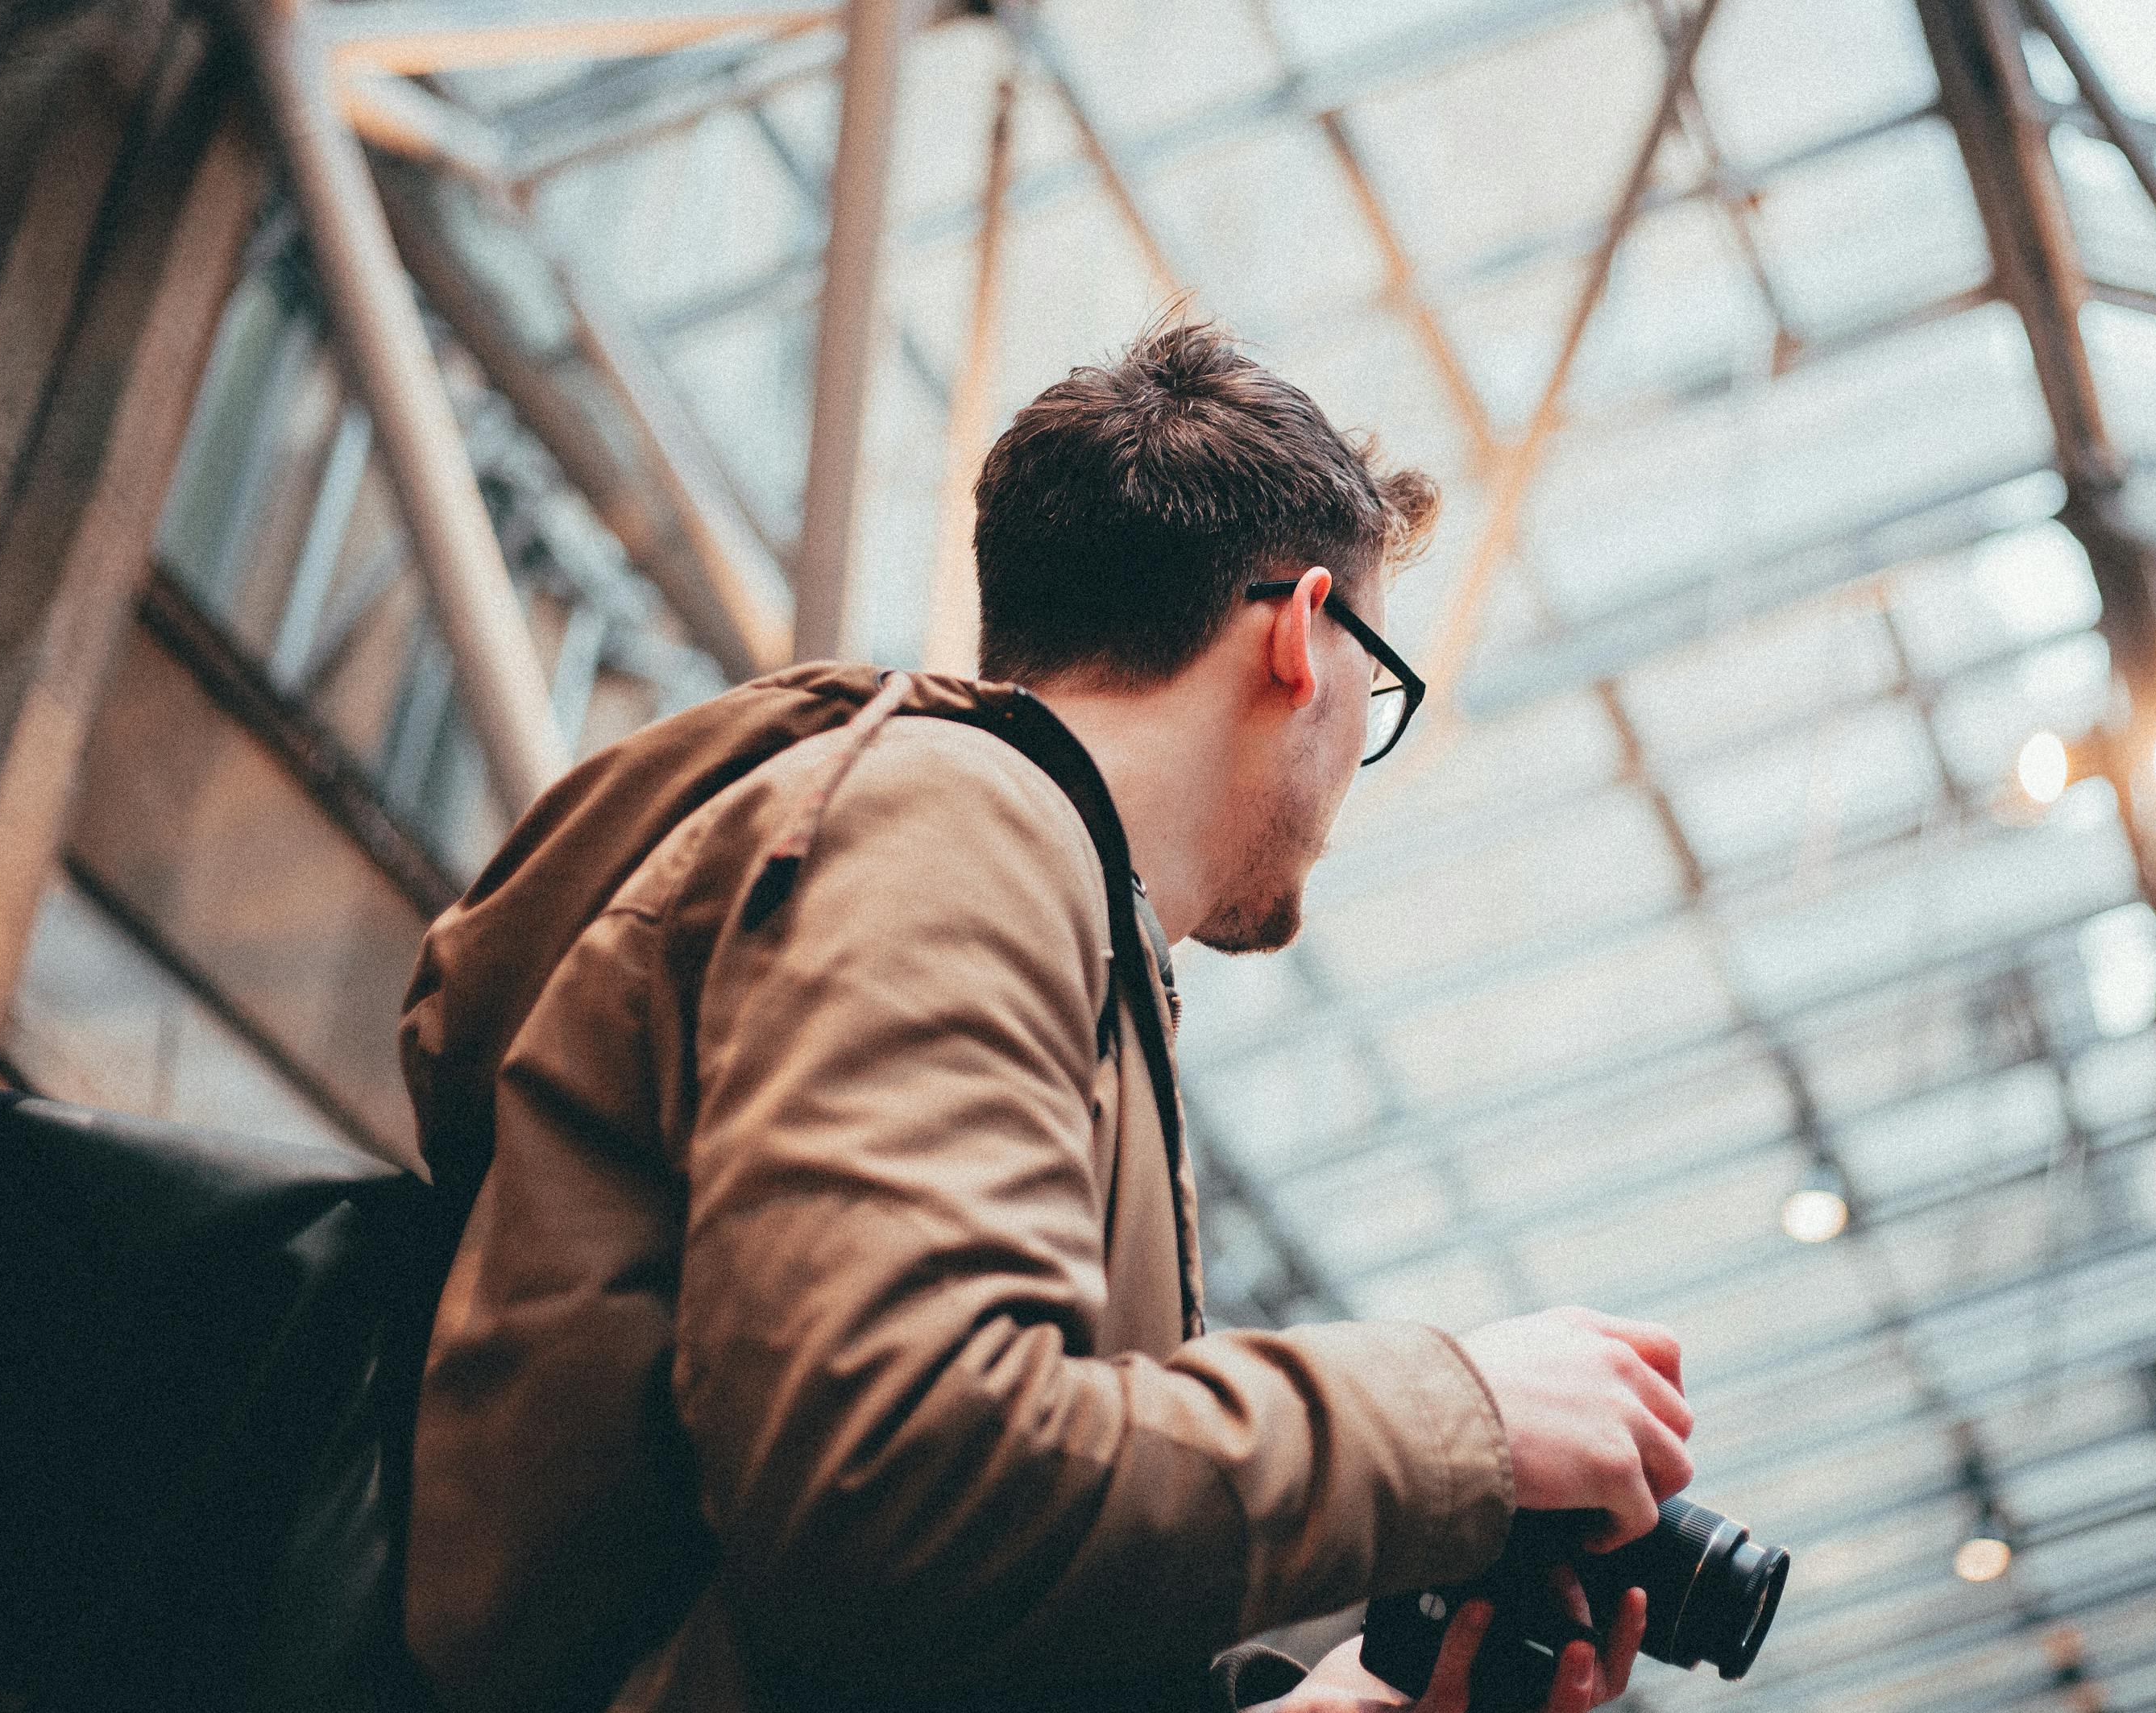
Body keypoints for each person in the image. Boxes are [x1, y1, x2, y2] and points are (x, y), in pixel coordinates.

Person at [396, 318, 1695, 1713]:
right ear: (1303, 636)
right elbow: (896, 1479)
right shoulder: (959, 825)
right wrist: (1459, 1418)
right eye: (1377, 694)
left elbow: (901, 1626)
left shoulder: (1037, 894)